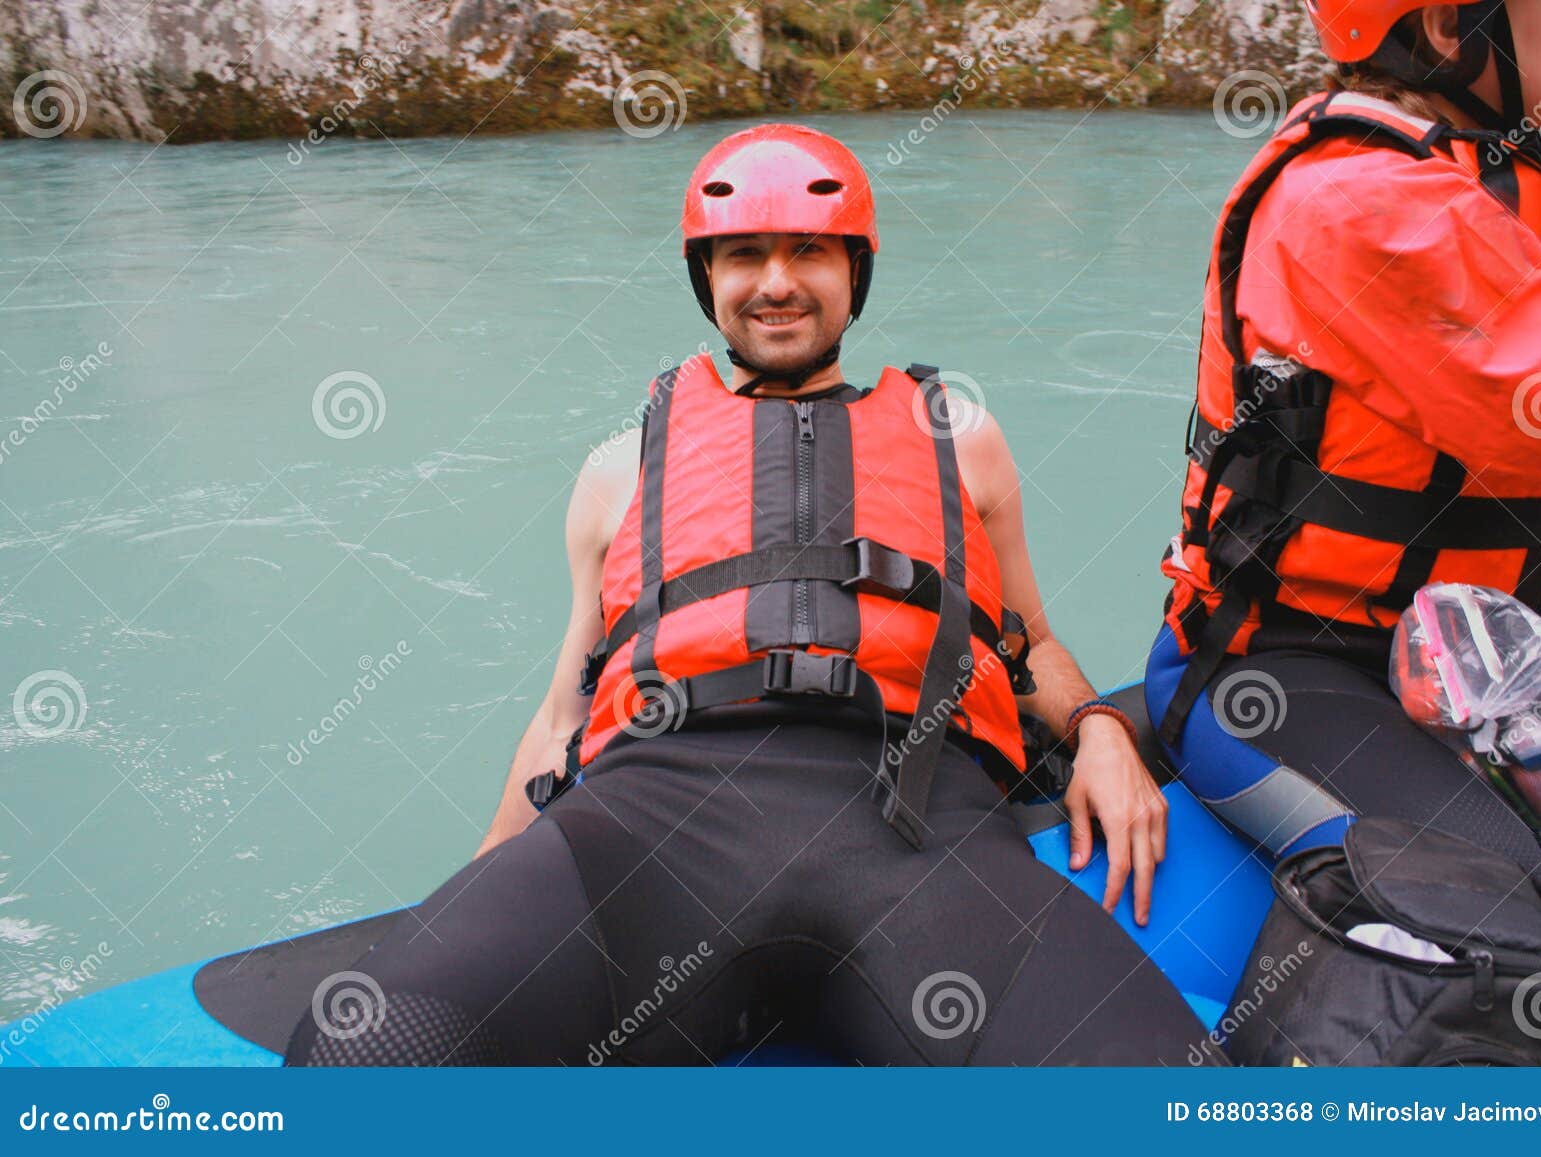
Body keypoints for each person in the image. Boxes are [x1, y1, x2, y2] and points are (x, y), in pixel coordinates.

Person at [284, 124, 1210, 1066]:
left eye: (809, 250)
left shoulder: (960, 437)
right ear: (707, 277)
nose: (776, 282)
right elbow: (567, 705)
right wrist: (489, 872)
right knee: (357, 1047)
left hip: (923, 828)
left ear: (855, 271)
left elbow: (1028, 645)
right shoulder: (617, 469)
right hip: (649, 818)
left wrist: (1098, 727)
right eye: (744, 255)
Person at [1146, 0, 1541, 952]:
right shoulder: (1360, 204)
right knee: (1507, 932)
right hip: (1292, 662)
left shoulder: (1521, 167)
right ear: (1448, 27)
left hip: (1480, 652)